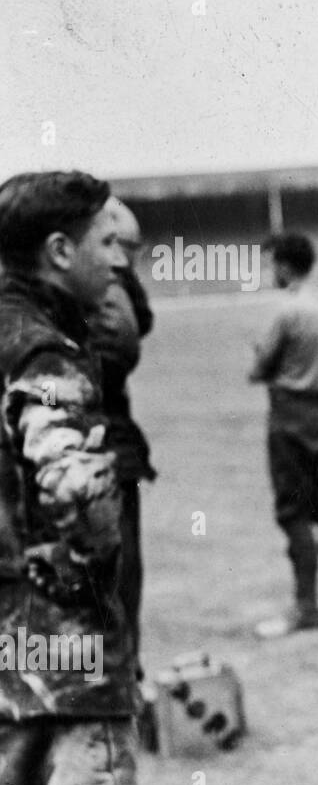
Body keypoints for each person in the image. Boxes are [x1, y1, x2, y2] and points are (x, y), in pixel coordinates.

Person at [0, 170, 140, 785]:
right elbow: (79, 492)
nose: (119, 260)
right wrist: (95, 571)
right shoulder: (45, 352)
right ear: (59, 250)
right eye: (107, 241)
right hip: (61, 649)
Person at [248, 232, 318, 638]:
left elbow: (261, 369)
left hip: (290, 415)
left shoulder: (287, 311)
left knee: (293, 512)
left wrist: (260, 360)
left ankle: (305, 605)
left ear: (285, 265)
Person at [88, 198, 156, 662]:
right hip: (105, 448)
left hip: (103, 447)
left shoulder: (103, 293)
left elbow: (122, 340)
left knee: (114, 586)